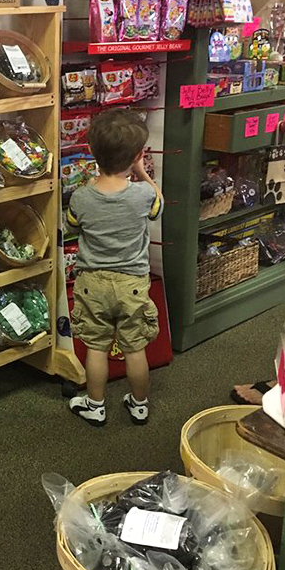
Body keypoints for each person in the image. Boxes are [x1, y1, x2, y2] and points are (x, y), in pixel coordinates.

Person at [66, 109, 164, 427]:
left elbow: (72, 225)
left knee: (95, 346)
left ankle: (95, 406)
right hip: (132, 283)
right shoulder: (144, 194)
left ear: (93, 152)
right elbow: (157, 207)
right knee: (135, 347)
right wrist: (144, 173)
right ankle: (138, 405)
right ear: (137, 155)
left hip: (91, 282)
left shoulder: (81, 197)